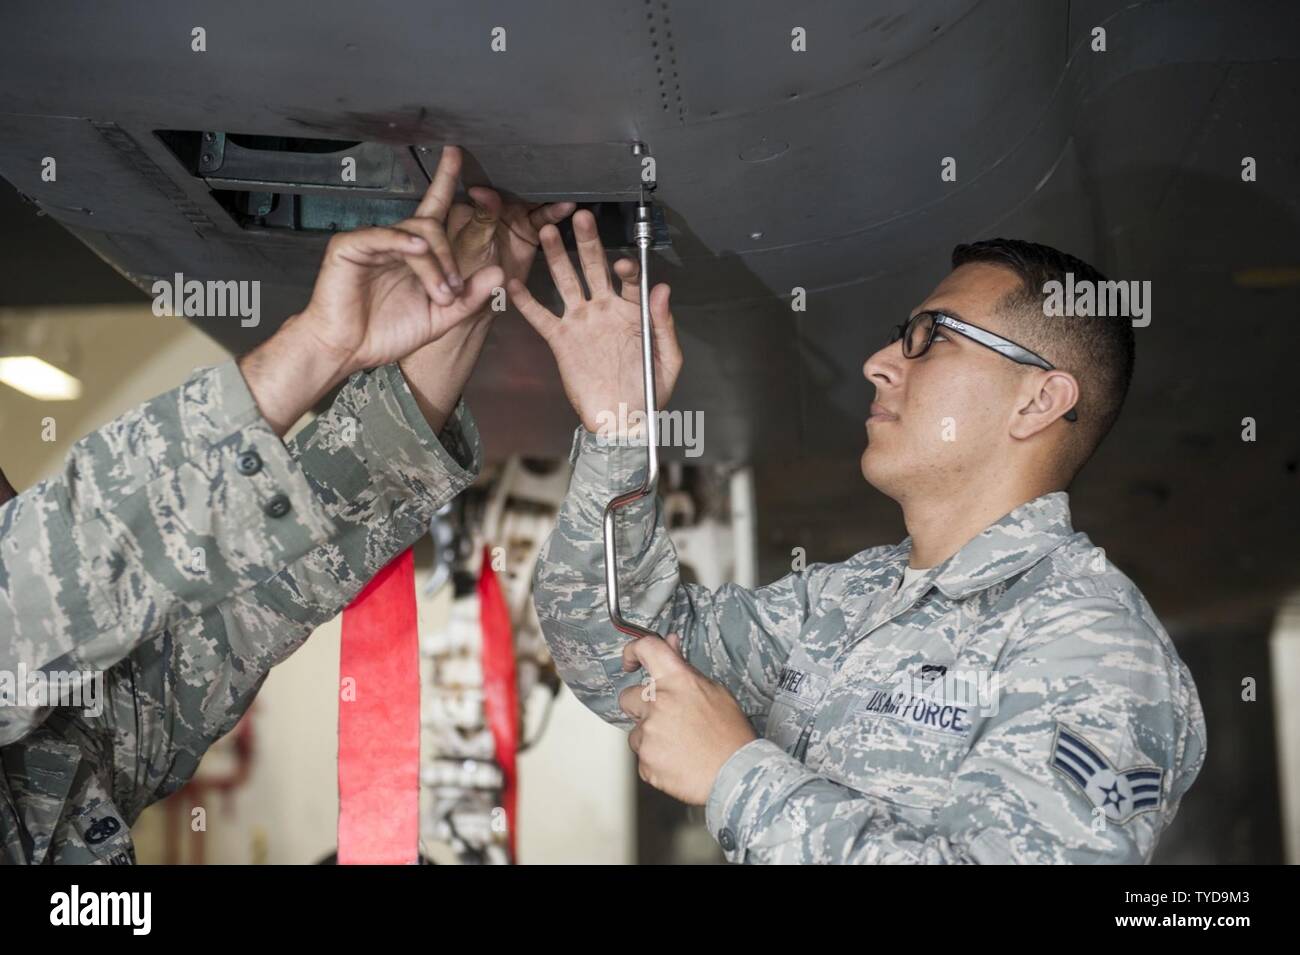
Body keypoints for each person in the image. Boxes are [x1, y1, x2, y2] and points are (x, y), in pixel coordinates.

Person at [524, 219, 1207, 864]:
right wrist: (620, 434)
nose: (880, 363)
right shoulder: (845, 600)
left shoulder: (1092, 644)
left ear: (1037, 401)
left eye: (933, 337)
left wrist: (738, 776)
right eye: (900, 335)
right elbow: (617, 649)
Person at [0, 146, 574, 864]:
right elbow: (48, 585)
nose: (19, 517)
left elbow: (261, 592)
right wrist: (316, 347)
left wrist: (455, 314)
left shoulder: (58, 760)